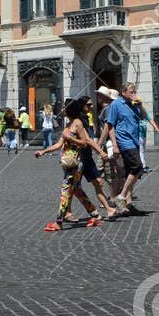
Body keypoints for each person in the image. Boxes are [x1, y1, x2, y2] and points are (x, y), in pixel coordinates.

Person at [35, 96, 110, 230]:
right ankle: (95, 214)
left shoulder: (78, 123)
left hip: (76, 164)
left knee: (66, 191)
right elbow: (59, 144)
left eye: (64, 108)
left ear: (70, 110)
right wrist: (44, 151)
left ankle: (58, 222)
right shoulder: (68, 124)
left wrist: (72, 139)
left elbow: (85, 142)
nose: (62, 110)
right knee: (76, 190)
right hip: (68, 162)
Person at [102, 88, 146, 213]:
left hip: (134, 141)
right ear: (123, 92)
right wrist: (115, 145)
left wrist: (141, 106)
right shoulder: (116, 104)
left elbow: (143, 117)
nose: (134, 94)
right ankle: (121, 196)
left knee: (129, 171)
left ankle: (127, 204)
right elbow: (110, 125)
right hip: (124, 141)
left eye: (134, 92)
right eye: (131, 92)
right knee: (137, 166)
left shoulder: (133, 105)